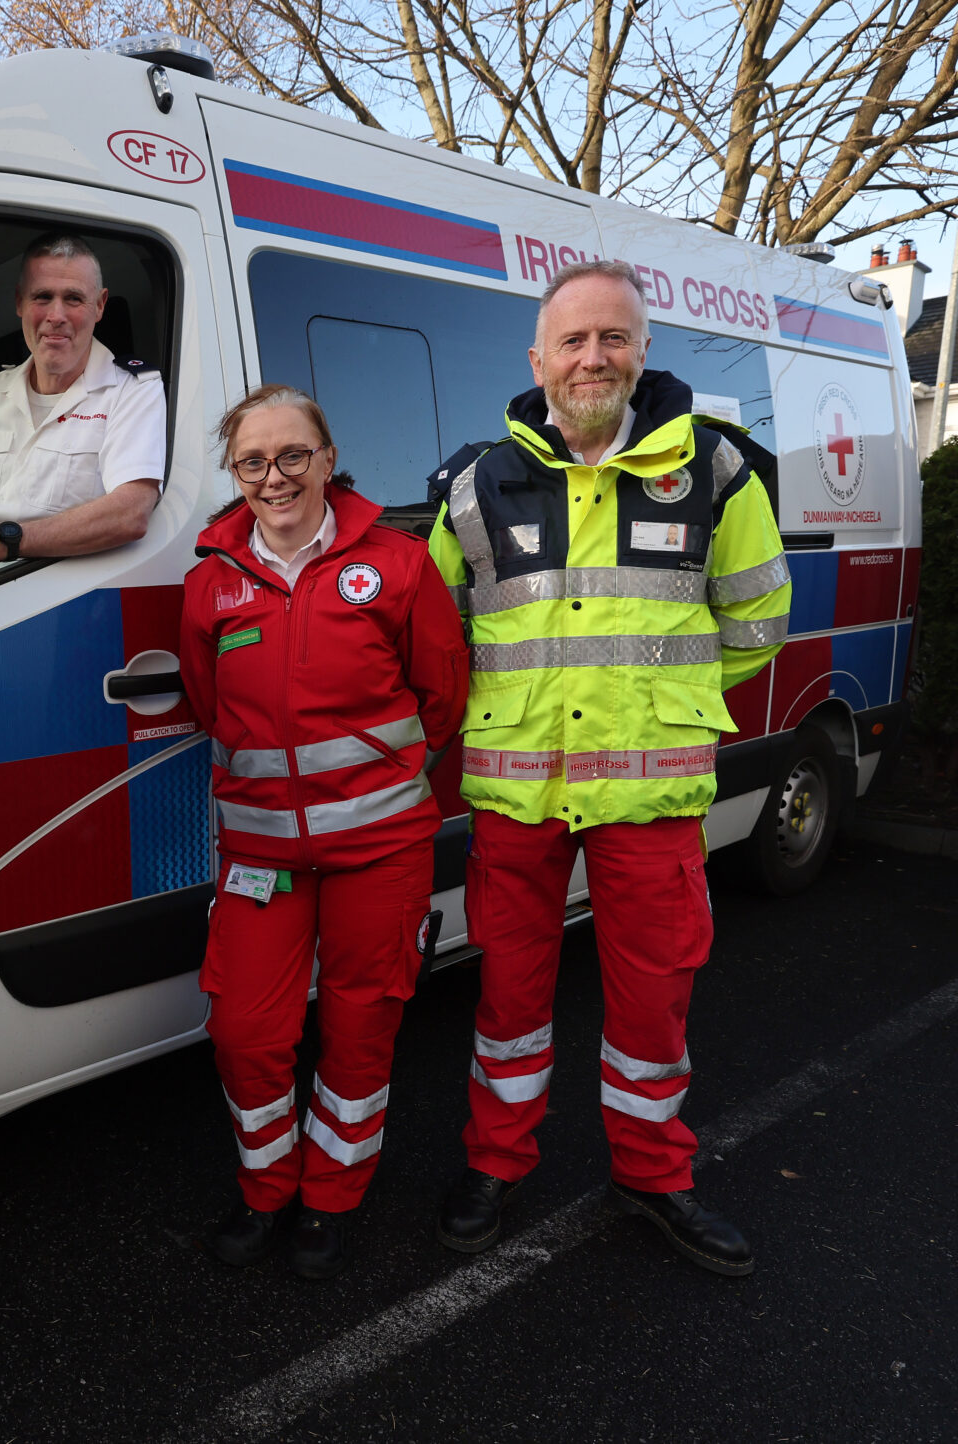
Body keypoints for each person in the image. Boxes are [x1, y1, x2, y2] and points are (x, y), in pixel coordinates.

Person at [426, 258, 790, 1276]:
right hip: (517, 789)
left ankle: (653, 1172)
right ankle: (494, 1160)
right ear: (536, 359)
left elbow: (757, 621)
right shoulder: (471, 483)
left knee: (650, 1003)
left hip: (648, 791)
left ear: (640, 352)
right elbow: (436, 636)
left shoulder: (716, 472)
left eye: (613, 337)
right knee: (506, 995)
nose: (593, 356)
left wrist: (661, 702)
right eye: (573, 340)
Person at [178, 385, 468, 1277]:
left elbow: (443, 697)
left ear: (329, 457)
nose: (275, 477)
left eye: (293, 455)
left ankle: (331, 1196)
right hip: (262, 854)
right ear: (234, 473)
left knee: (360, 1026)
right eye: (253, 461)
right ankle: (267, 1186)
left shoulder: (400, 563)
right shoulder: (208, 581)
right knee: (244, 1031)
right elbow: (205, 703)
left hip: (379, 849)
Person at [0, 233, 164, 578]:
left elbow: (130, 513)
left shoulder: (133, 392)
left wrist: (8, 541)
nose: (56, 315)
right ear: (19, 302)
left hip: (53, 609)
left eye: (73, 298)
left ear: (99, 305)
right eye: (43, 296)